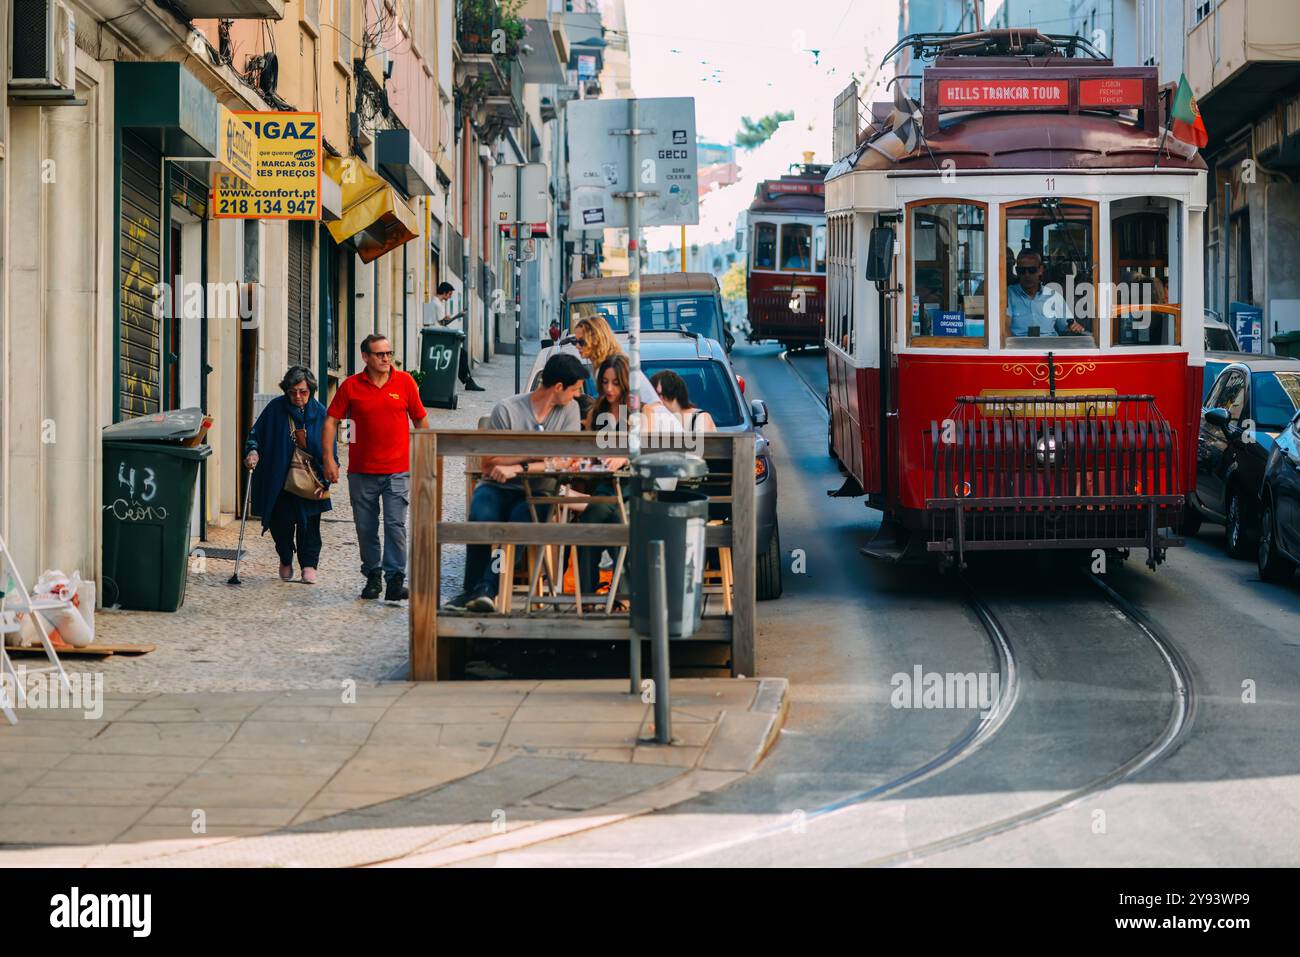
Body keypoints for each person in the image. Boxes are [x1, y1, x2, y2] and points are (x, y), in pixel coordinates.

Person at [445, 353, 588, 613]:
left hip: (539, 492)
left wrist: (517, 466)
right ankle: (472, 590)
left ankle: (486, 589)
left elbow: (565, 461)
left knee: (514, 527)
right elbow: (488, 464)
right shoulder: (507, 409)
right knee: (480, 517)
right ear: (558, 387)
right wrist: (534, 453)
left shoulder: (570, 411)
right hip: (497, 488)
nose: (577, 395)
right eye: (575, 389)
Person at [323, 334, 429, 601]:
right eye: (380, 354)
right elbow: (330, 421)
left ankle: (395, 579)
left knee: (395, 525)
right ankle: (373, 575)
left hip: (397, 470)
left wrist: (425, 460)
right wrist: (329, 459)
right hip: (361, 471)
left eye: (388, 353)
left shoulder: (405, 382)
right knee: (366, 527)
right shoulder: (350, 386)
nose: (385, 358)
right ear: (365, 357)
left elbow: (421, 421)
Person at [243, 366, 334, 584]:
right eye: (292, 392)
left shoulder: (320, 413)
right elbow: (255, 434)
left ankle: (309, 565)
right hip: (280, 480)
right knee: (280, 523)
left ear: (310, 389)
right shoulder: (275, 409)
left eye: (302, 391)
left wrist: (328, 475)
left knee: (310, 524)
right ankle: (285, 557)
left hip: (311, 479)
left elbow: (330, 449)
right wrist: (252, 451)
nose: (298, 397)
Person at [1006, 249, 1084, 337]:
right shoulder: (1008, 295)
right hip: (1018, 347)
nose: (1027, 275)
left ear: (1041, 270)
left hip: (1050, 347)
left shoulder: (1053, 296)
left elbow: (1067, 326)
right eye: (1022, 271)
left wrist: (1074, 327)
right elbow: (1004, 329)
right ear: (1016, 271)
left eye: (1032, 270)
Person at [434, 281, 485, 391]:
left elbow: (441, 321)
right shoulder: (436, 303)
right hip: (439, 338)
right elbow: (443, 323)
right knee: (462, 354)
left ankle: (467, 380)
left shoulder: (438, 303)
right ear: (444, 292)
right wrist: (458, 315)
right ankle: (467, 381)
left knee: (462, 353)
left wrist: (447, 318)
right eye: (450, 294)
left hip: (440, 335)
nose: (450, 296)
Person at [651, 369, 716, 432]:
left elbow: (700, 442)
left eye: (658, 394)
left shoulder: (700, 418)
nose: (654, 400)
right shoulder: (657, 419)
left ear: (673, 392)